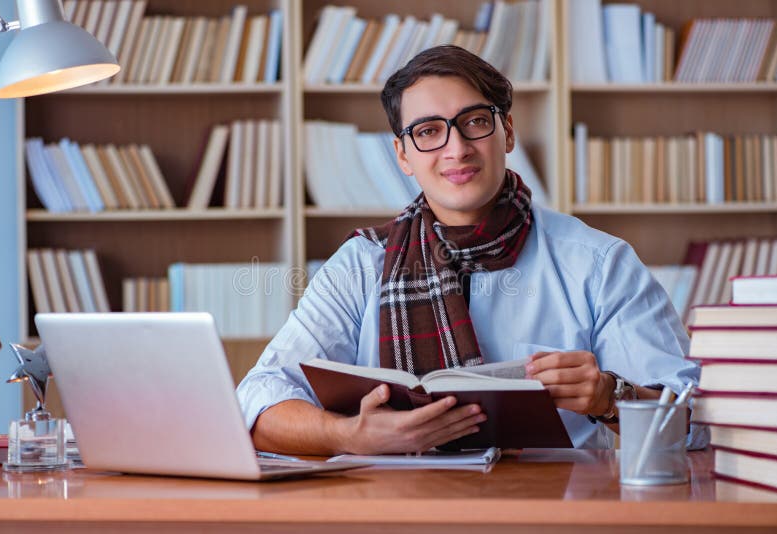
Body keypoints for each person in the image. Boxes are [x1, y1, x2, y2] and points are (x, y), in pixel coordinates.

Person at [237, 45, 706, 454]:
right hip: (392, 507)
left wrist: (611, 396)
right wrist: (346, 435)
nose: (456, 149)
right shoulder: (362, 264)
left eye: (475, 122)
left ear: (507, 133)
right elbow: (257, 400)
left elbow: (700, 425)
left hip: (554, 510)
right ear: (403, 155)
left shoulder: (600, 264)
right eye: (428, 131)